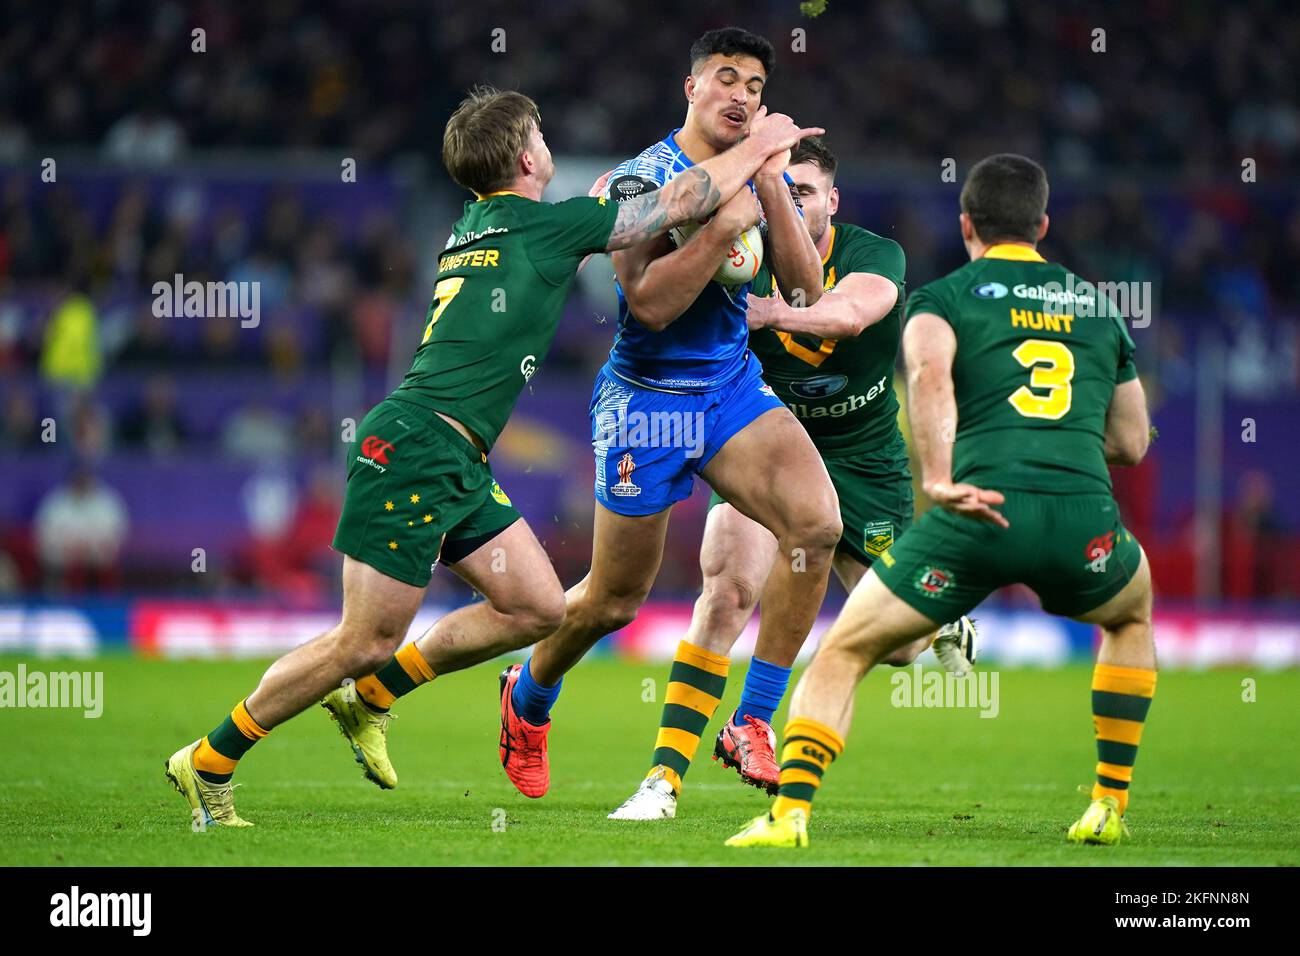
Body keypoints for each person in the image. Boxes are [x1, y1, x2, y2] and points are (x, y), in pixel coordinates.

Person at [164, 84, 817, 827]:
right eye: (540, 135)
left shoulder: (475, 223)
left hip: (455, 455)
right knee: (363, 639)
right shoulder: (542, 227)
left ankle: (372, 701)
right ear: (524, 155)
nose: (548, 145)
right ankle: (210, 758)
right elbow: (673, 202)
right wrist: (759, 151)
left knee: (537, 605)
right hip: (413, 447)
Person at [725, 153, 1156, 849]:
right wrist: (1063, 442)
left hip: (976, 511)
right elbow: (1133, 441)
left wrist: (939, 479)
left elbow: (926, 381)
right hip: (1084, 518)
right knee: (1132, 616)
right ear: (1043, 225)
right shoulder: (1097, 304)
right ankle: (1108, 802)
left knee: (842, 651)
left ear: (965, 227)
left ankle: (789, 817)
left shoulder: (945, 299)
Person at [609, 137, 976, 820]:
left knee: (899, 646)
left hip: (863, 458)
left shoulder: (872, 254)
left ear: (831, 201)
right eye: (778, 186)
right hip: (767, 444)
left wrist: (775, 312)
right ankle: (664, 781)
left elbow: (849, 314)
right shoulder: (737, 253)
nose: (789, 200)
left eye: (802, 190)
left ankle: (941, 620)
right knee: (726, 593)